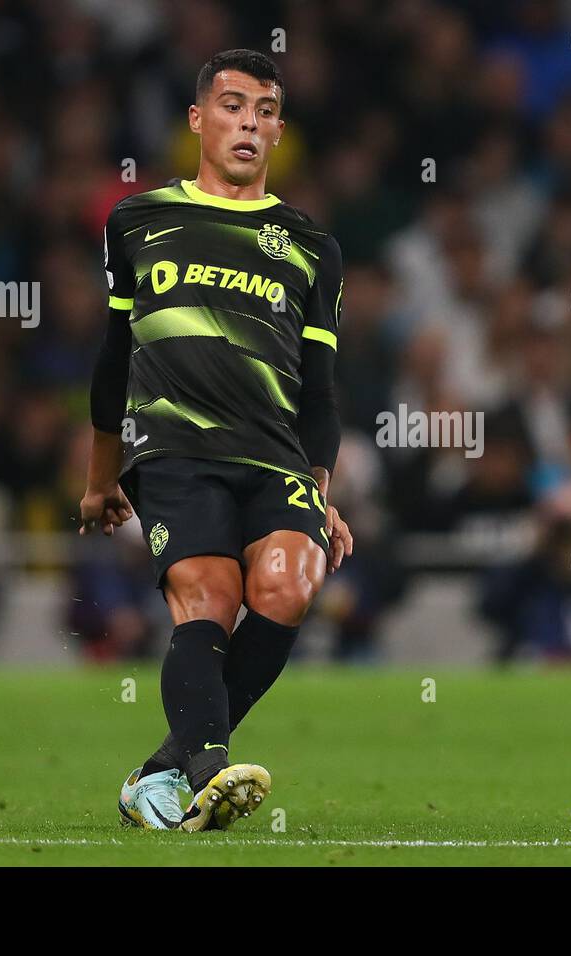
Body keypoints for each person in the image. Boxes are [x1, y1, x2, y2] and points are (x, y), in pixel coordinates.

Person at [79, 50, 353, 832]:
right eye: (233, 106)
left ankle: (164, 775)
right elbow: (114, 357)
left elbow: (321, 390)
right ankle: (207, 772)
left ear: (278, 132)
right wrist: (102, 478)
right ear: (198, 121)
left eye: (265, 111)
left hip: (273, 455)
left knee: (291, 584)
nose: (249, 123)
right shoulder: (137, 220)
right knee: (210, 599)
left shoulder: (310, 245)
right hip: (175, 451)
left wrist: (321, 493)